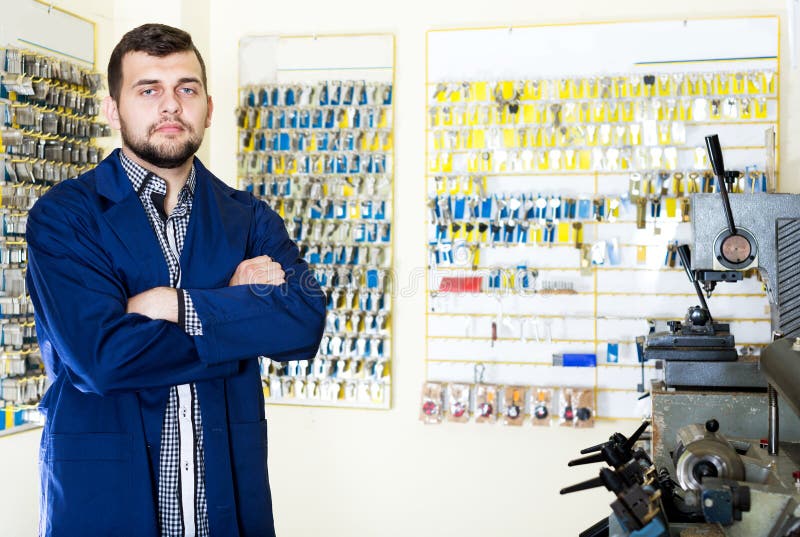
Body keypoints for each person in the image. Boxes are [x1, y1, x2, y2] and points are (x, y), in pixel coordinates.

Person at [26, 23, 326, 537]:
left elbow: (302, 324)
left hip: (226, 506)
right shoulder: (64, 218)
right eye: (148, 90)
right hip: (106, 503)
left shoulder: (248, 217)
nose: (170, 106)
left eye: (186, 90)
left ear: (207, 107)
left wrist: (171, 304)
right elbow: (101, 359)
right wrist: (233, 312)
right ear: (112, 109)